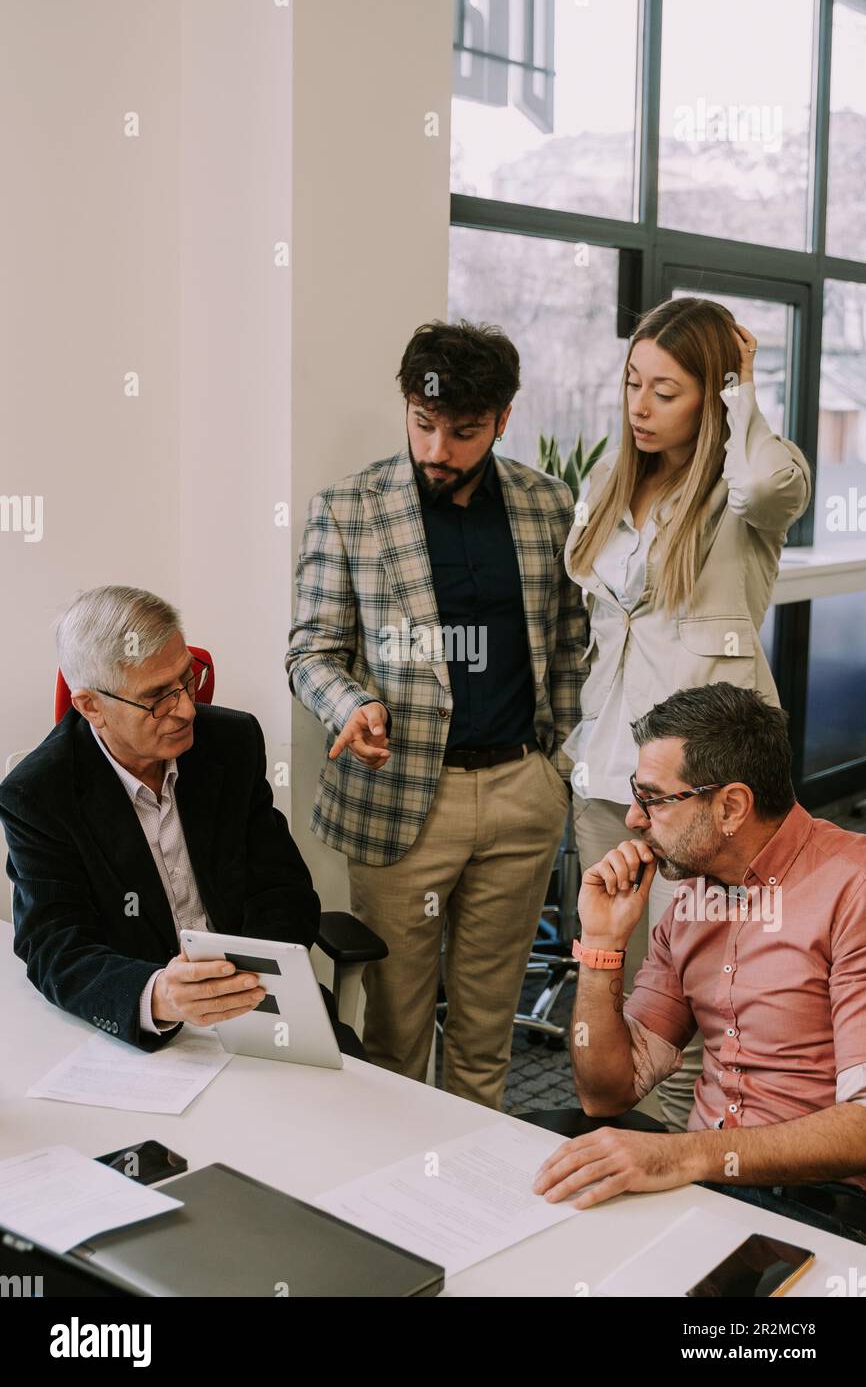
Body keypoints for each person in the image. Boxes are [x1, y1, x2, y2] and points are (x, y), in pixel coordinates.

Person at [286, 319, 586, 1108]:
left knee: (489, 1034)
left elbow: (568, 645)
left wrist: (558, 770)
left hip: (522, 795)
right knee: (394, 1037)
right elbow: (310, 652)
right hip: (401, 802)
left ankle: (474, 1203)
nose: (438, 451)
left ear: (503, 420)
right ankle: (395, 1212)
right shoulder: (348, 510)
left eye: (464, 432)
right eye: (424, 425)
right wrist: (351, 706)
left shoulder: (550, 505)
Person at [561, 296, 811, 1132]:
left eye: (666, 391)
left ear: (712, 393)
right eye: (633, 383)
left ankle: (687, 1158)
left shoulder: (744, 499)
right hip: (607, 774)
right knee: (615, 974)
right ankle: (615, 1143)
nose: (640, 405)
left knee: (703, 986)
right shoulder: (610, 482)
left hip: (701, 785)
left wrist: (742, 387)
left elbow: (770, 478)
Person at [533, 683, 866, 1246]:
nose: (634, 819)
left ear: (731, 806)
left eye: (655, 799)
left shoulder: (852, 888)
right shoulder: (692, 899)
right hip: (710, 1190)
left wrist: (678, 1158)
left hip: (825, 1207)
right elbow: (607, 1093)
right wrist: (601, 945)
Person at [0, 585, 364, 1057]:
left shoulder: (231, 743)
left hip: (261, 1005)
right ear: (90, 705)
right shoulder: (39, 793)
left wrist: (251, 978)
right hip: (148, 1027)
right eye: (157, 698)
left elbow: (283, 888)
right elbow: (56, 946)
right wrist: (158, 996)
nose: (188, 708)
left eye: (188, 680)